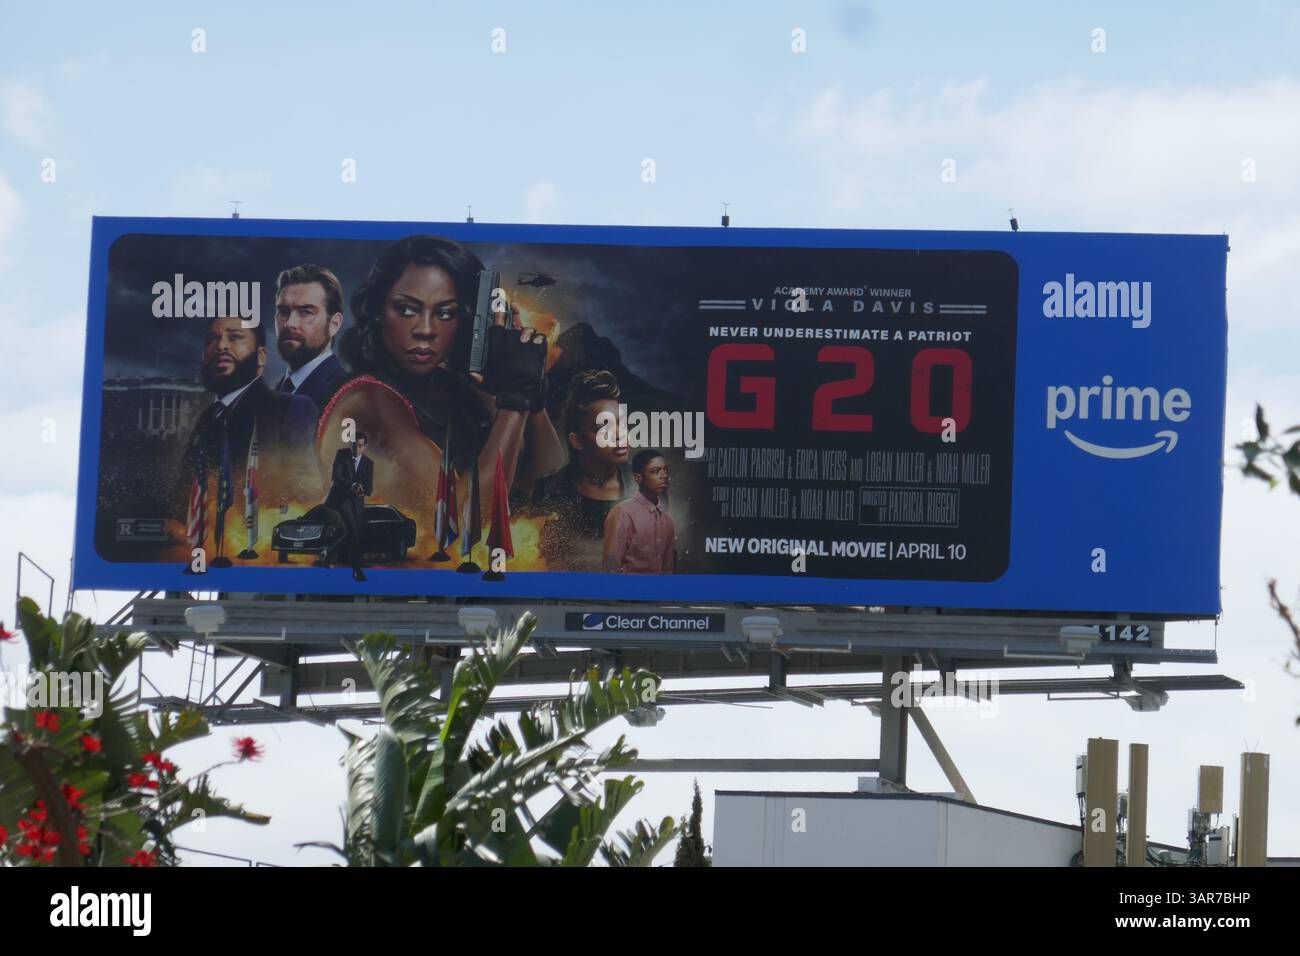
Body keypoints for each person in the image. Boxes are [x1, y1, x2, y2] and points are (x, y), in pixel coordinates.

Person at [319, 235, 564, 542]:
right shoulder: (370, 399)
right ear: (379, 310)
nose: (425, 330)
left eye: (445, 313)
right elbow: (459, 528)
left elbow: (550, 480)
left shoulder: (457, 387)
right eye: (407, 310)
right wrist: (515, 401)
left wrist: (529, 393)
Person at [175, 315, 322, 551]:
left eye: (235, 337)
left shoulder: (291, 408)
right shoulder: (207, 419)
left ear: (261, 356)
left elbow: (306, 490)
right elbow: (180, 495)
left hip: (259, 548)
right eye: (212, 339)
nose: (221, 346)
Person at [534, 370, 632, 571]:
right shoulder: (547, 490)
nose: (619, 434)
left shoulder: (646, 485)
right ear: (577, 441)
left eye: (622, 423)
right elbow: (541, 561)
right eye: (604, 427)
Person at [272, 263, 351, 413]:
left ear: (334, 324)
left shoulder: (348, 397)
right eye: (282, 312)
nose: (289, 323)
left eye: (305, 312)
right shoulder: (272, 394)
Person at [602, 449, 675, 574]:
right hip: (628, 591)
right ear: (637, 477)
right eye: (655, 471)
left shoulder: (667, 520)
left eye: (665, 470)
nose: (664, 476)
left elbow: (668, 570)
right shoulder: (622, 513)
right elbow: (610, 567)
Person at [324, 433, 374, 581]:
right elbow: (336, 476)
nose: (356, 448)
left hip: (357, 503)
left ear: (364, 447)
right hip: (341, 500)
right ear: (350, 445)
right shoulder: (342, 455)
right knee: (352, 530)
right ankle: (357, 570)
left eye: (359, 446)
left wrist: (362, 489)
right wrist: (352, 485)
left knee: (353, 534)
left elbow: (369, 489)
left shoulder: (369, 463)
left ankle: (328, 553)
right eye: (354, 445)